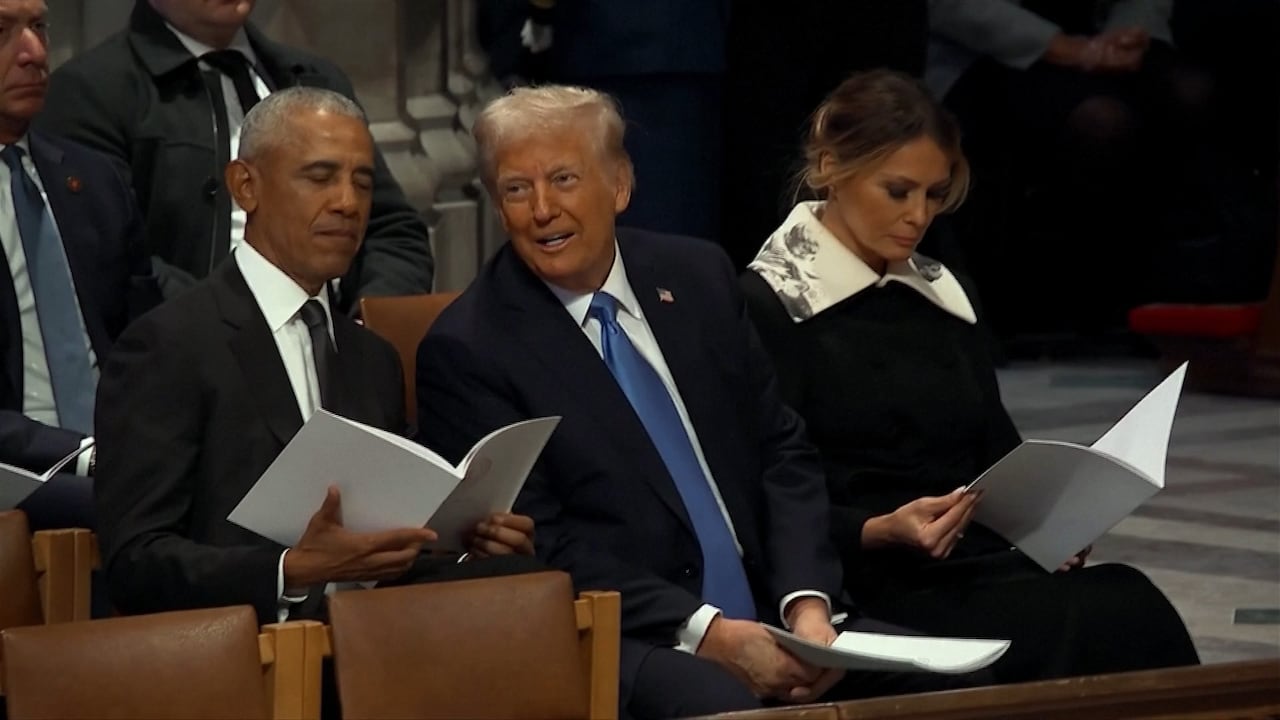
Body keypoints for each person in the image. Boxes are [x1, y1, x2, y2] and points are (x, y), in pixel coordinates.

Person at [415, 84, 987, 720]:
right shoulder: (471, 348)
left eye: (564, 179)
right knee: (724, 706)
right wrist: (709, 631)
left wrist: (809, 607)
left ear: (620, 184)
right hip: (632, 633)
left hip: (777, 610)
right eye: (516, 189)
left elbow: (781, 450)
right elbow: (543, 543)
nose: (542, 209)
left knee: (947, 690)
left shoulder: (698, 277)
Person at [741, 69, 1201, 684]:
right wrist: (876, 530)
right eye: (898, 191)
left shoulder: (939, 288)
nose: (918, 216)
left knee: (1128, 600)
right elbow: (758, 485)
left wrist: (1053, 518)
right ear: (831, 167)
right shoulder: (767, 302)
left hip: (970, 556)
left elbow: (993, 442)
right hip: (855, 574)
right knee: (1071, 621)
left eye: (934, 195)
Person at [94, 87, 536, 628]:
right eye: (320, 177)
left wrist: (466, 542)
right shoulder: (169, 347)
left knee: (525, 588)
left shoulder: (371, 356)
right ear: (246, 186)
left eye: (362, 182)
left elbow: (383, 543)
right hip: (248, 656)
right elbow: (134, 563)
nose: (348, 203)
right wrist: (290, 571)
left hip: (374, 639)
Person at [36, 0, 433, 311]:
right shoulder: (91, 92)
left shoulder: (315, 81)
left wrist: (367, 324)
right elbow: (113, 261)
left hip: (333, 344)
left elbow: (394, 231)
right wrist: (238, 330)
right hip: (193, 360)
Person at [0, 0, 159, 530]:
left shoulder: (94, 180)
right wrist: (84, 454)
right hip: (17, 466)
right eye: (3, 31)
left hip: (117, 453)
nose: (36, 53)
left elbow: (148, 342)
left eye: (40, 28)